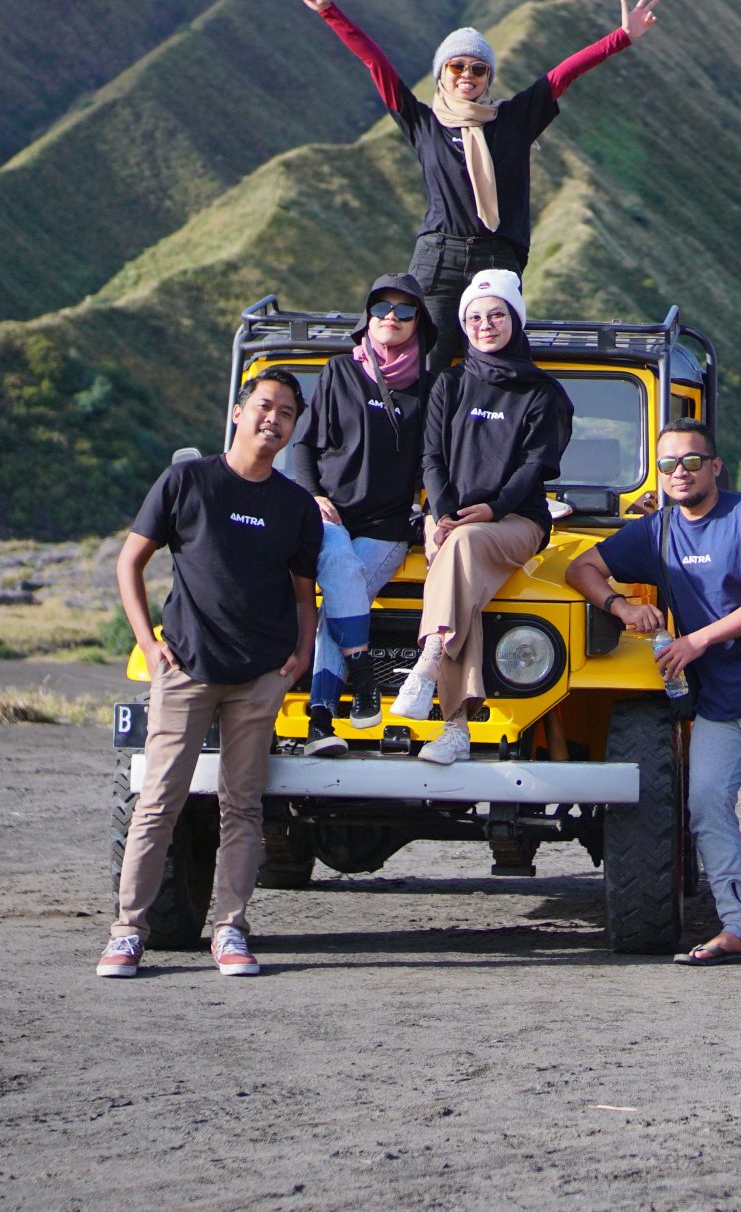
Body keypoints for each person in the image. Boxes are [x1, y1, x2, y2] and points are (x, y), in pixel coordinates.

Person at [291, 0, 661, 370]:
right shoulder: (423, 123)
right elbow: (376, 64)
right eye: (457, 66)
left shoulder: (515, 118)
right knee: (426, 367)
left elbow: (563, 74)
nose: (467, 74)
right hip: (438, 258)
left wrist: (623, 36)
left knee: (495, 365)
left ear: (488, 77)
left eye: (478, 68)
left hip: (497, 258)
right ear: (441, 75)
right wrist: (329, 12)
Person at [565, 420, 741, 967]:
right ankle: (737, 928)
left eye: (690, 462)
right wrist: (621, 606)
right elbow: (580, 567)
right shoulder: (657, 530)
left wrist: (698, 640)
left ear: (714, 467)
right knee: (705, 804)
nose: (678, 473)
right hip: (716, 698)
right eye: (667, 465)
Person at [99, 373, 321, 978]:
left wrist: (298, 659)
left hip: (259, 679)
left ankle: (230, 930)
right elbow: (130, 561)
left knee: (242, 806)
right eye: (264, 407)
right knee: (157, 803)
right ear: (238, 411)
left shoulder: (295, 505)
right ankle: (126, 933)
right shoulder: (186, 481)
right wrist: (148, 643)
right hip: (187, 668)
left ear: (294, 427)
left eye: (285, 413)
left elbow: (306, 595)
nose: (272, 420)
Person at [392, 269, 574, 764]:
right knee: (462, 588)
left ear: (515, 318)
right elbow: (430, 457)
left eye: (496, 314)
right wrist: (443, 513)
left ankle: (429, 660)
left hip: (518, 522)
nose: (485, 324)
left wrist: (491, 510)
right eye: (474, 316)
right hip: (449, 518)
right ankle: (455, 730)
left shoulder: (543, 394)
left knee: (464, 549)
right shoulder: (448, 383)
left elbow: (535, 466)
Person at [302, 273, 435, 755]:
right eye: (381, 308)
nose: (391, 319)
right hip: (329, 513)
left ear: (420, 321)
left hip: (387, 525)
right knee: (338, 557)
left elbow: (434, 461)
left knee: (340, 588)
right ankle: (360, 683)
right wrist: (312, 496)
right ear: (367, 317)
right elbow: (305, 445)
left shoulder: (430, 386)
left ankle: (322, 715)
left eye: (404, 311)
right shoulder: (339, 372)